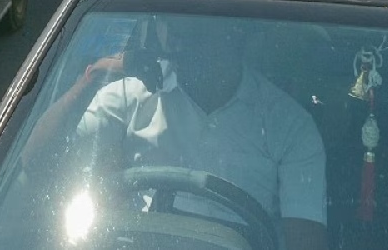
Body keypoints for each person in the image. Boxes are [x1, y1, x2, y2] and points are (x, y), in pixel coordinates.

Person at [22, 14, 328, 250]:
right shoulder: (131, 95)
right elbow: (36, 164)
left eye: (198, 32)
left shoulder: (288, 124)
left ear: (236, 36)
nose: (180, 43)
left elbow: (305, 239)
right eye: (171, 29)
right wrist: (91, 79)